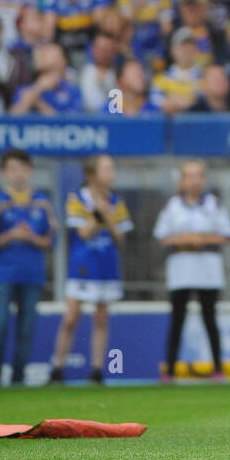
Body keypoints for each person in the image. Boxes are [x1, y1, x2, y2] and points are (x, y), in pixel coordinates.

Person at [48, 153, 132, 384]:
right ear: (92, 175)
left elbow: (119, 237)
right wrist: (100, 214)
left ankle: (96, 370)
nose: (111, 174)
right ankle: (57, 368)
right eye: (106, 169)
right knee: (71, 316)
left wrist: (106, 214)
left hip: (107, 265)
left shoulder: (116, 201)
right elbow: (83, 232)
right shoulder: (77, 198)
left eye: (111, 169)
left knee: (102, 318)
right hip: (83, 266)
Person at [153, 160, 230, 381]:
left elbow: (227, 235)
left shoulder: (214, 204)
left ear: (204, 180)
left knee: (210, 319)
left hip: (208, 271)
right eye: (189, 176)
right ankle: (170, 370)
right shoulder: (172, 206)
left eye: (198, 176)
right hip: (181, 271)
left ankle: (217, 369)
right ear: (182, 181)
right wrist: (184, 240)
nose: (194, 181)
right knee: (177, 320)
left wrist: (202, 239)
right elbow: (161, 236)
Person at [0, 148, 56, 385]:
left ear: (30, 170)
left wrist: (33, 238)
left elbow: (52, 240)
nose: (18, 174)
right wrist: (11, 235)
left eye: (22, 168)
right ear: (4, 173)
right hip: (3, 274)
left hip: (33, 275)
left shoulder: (43, 202)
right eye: (12, 169)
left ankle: (18, 380)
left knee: (26, 330)